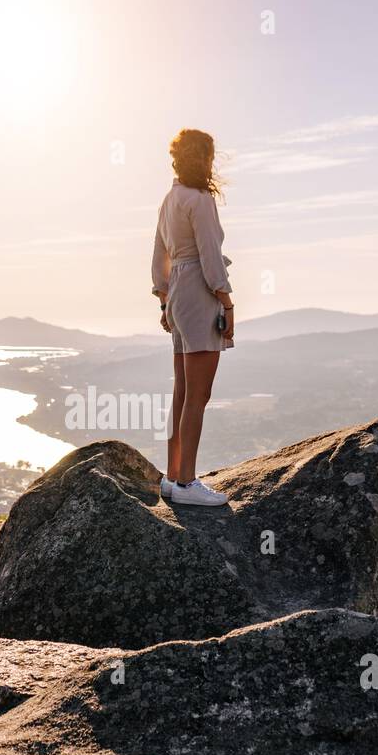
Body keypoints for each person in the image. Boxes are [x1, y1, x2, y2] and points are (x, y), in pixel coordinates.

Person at [150, 128, 234, 506]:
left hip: (178, 294)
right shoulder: (198, 200)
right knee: (198, 395)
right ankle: (186, 483)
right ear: (204, 158)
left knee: (182, 391)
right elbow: (210, 256)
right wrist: (226, 302)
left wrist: (164, 299)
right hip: (199, 290)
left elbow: (159, 256)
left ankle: (172, 477)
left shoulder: (170, 199)